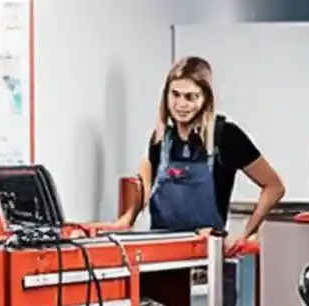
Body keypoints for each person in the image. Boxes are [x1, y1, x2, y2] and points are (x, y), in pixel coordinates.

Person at [116, 56, 284, 255]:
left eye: (190, 97)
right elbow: (145, 192)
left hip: (207, 260)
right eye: (175, 95)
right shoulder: (160, 139)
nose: (181, 104)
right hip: (161, 257)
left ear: (205, 98)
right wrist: (124, 222)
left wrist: (244, 235)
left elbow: (274, 187)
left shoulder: (226, 136)